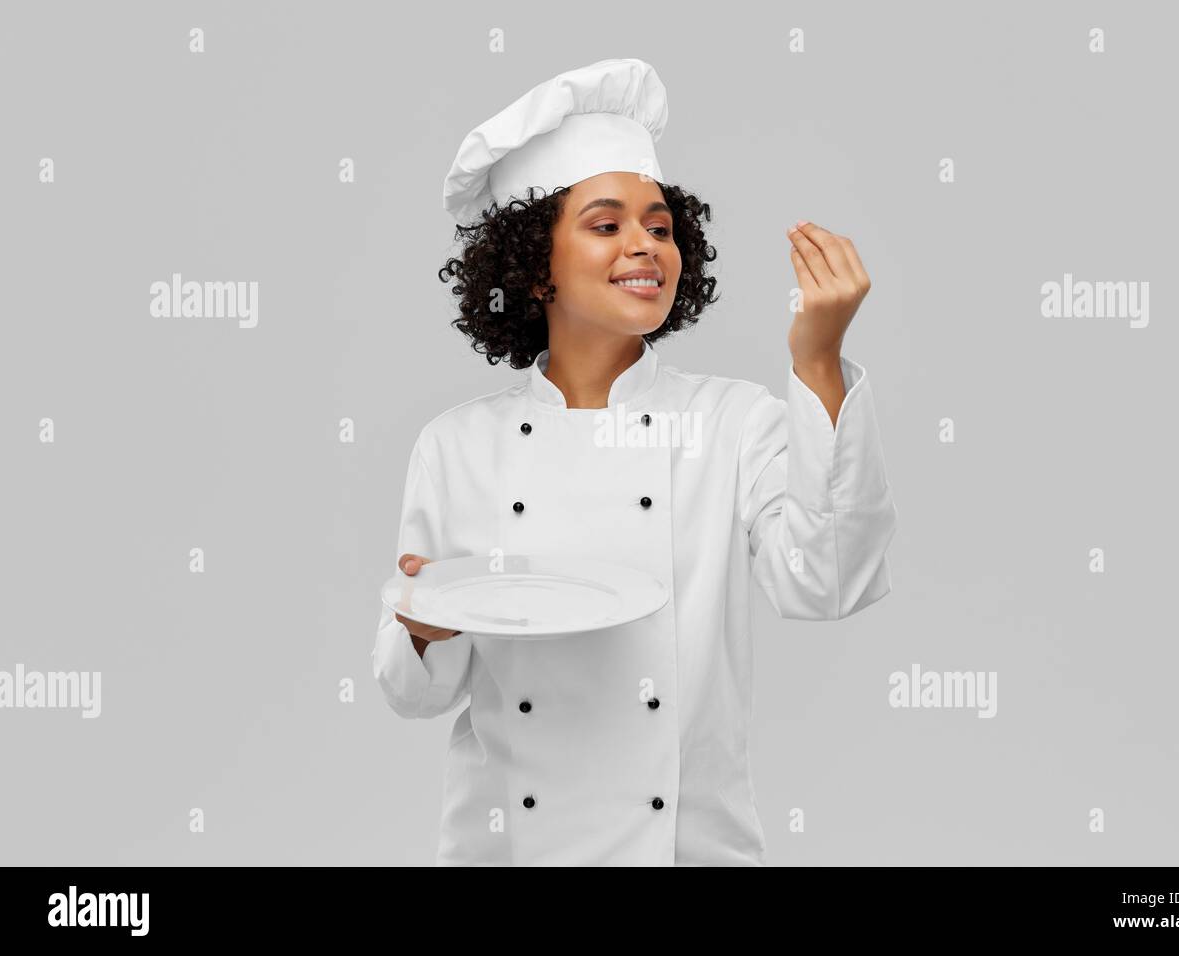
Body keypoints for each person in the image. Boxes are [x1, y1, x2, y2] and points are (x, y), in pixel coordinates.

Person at [372, 58, 898, 866]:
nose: (645, 246)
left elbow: (827, 581)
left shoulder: (729, 422)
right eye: (607, 224)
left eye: (659, 225)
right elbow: (416, 694)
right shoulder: (458, 446)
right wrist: (423, 630)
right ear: (532, 261)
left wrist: (820, 359)